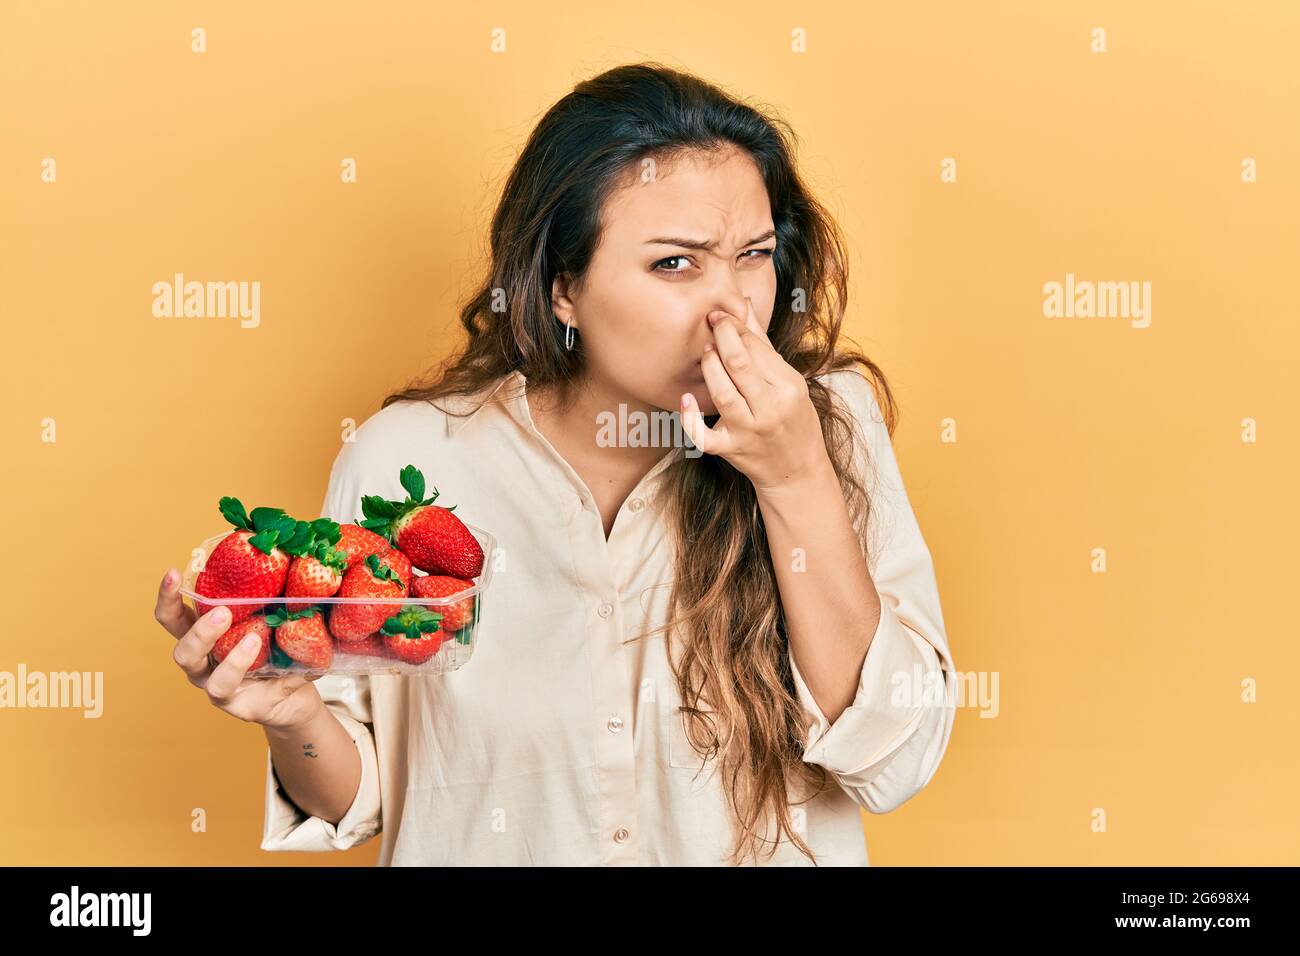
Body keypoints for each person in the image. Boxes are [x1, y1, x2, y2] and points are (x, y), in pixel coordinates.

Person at [154, 62, 956, 866]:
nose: (735, 307)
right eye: (674, 264)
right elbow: (372, 795)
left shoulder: (829, 426)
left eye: (752, 254)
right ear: (563, 287)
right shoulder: (408, 455)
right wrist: (293, 717)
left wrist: (793, 478)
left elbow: (895, 758)